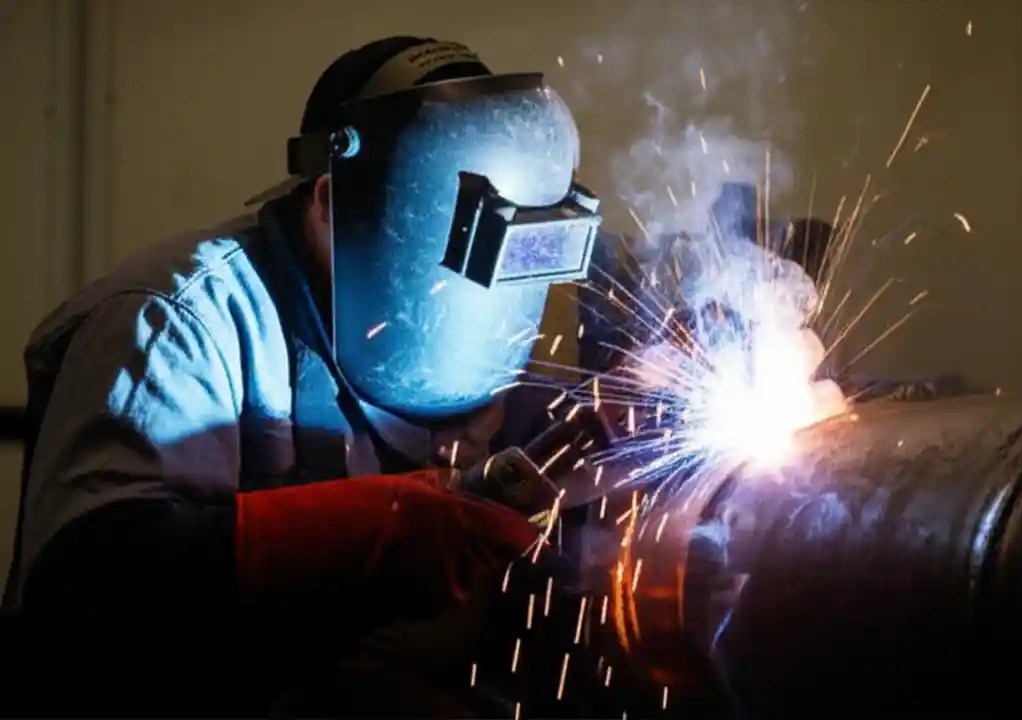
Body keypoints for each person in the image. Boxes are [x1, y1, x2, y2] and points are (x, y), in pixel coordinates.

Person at [2, 36, 602, 715]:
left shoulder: (508, 290)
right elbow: (92, 586)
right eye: (451, 247)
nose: (482, 287)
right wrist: (387, 529)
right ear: (331, 202)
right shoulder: (177, 320)